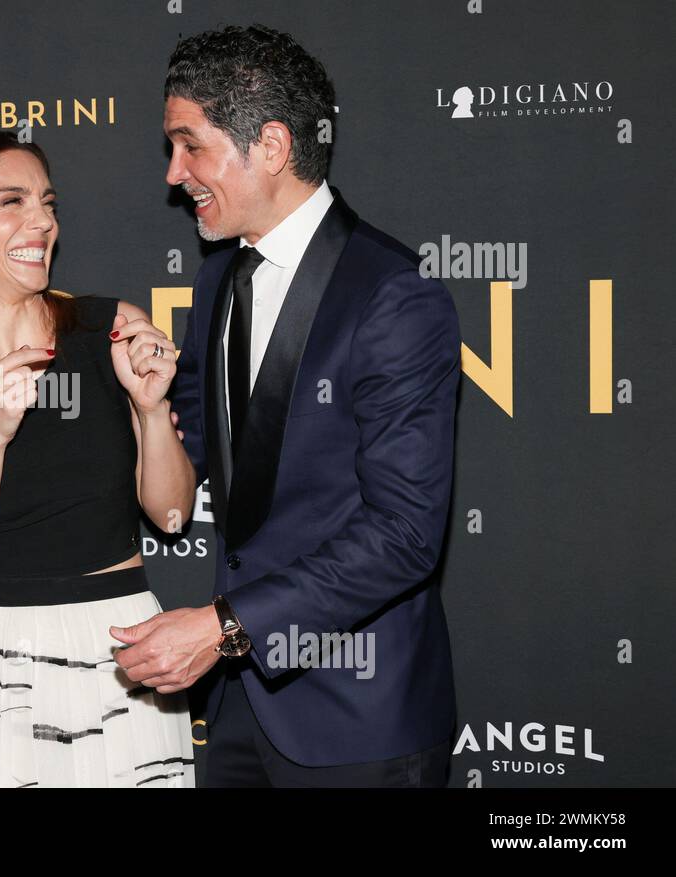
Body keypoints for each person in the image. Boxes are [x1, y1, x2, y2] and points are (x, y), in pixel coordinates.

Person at [112, 24, 462, 787]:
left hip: (359, 723)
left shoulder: (394, 295)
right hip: (239, 712)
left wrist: (226, 627)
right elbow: (183, 482)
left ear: (270, 146)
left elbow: (405, 534)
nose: (174, 174)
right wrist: (149, 406)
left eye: (189, 145)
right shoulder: (216, 282)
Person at [0, 130, 198, 788]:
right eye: (12, 201)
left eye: (47, 202)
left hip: (123, 648)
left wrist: (147, 409)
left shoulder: (109, 328)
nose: (43, 221)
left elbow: (171, 514)